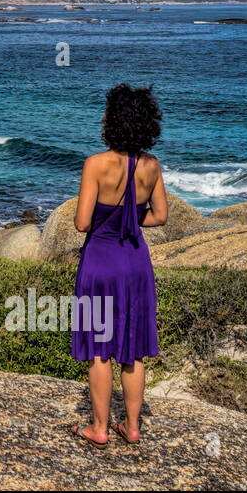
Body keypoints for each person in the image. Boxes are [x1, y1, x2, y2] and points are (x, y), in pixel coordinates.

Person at [70, 83, 168, 448]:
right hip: (135, 263)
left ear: (114, 121)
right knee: (132, 350)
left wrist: (109, 220)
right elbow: (160, 216)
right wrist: (130, 218)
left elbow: (81, 222)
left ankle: (98, 428)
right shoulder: (152, 166)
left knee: (100, 348)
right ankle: (132, 426)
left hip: (100, 261)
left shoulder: (95, 165)